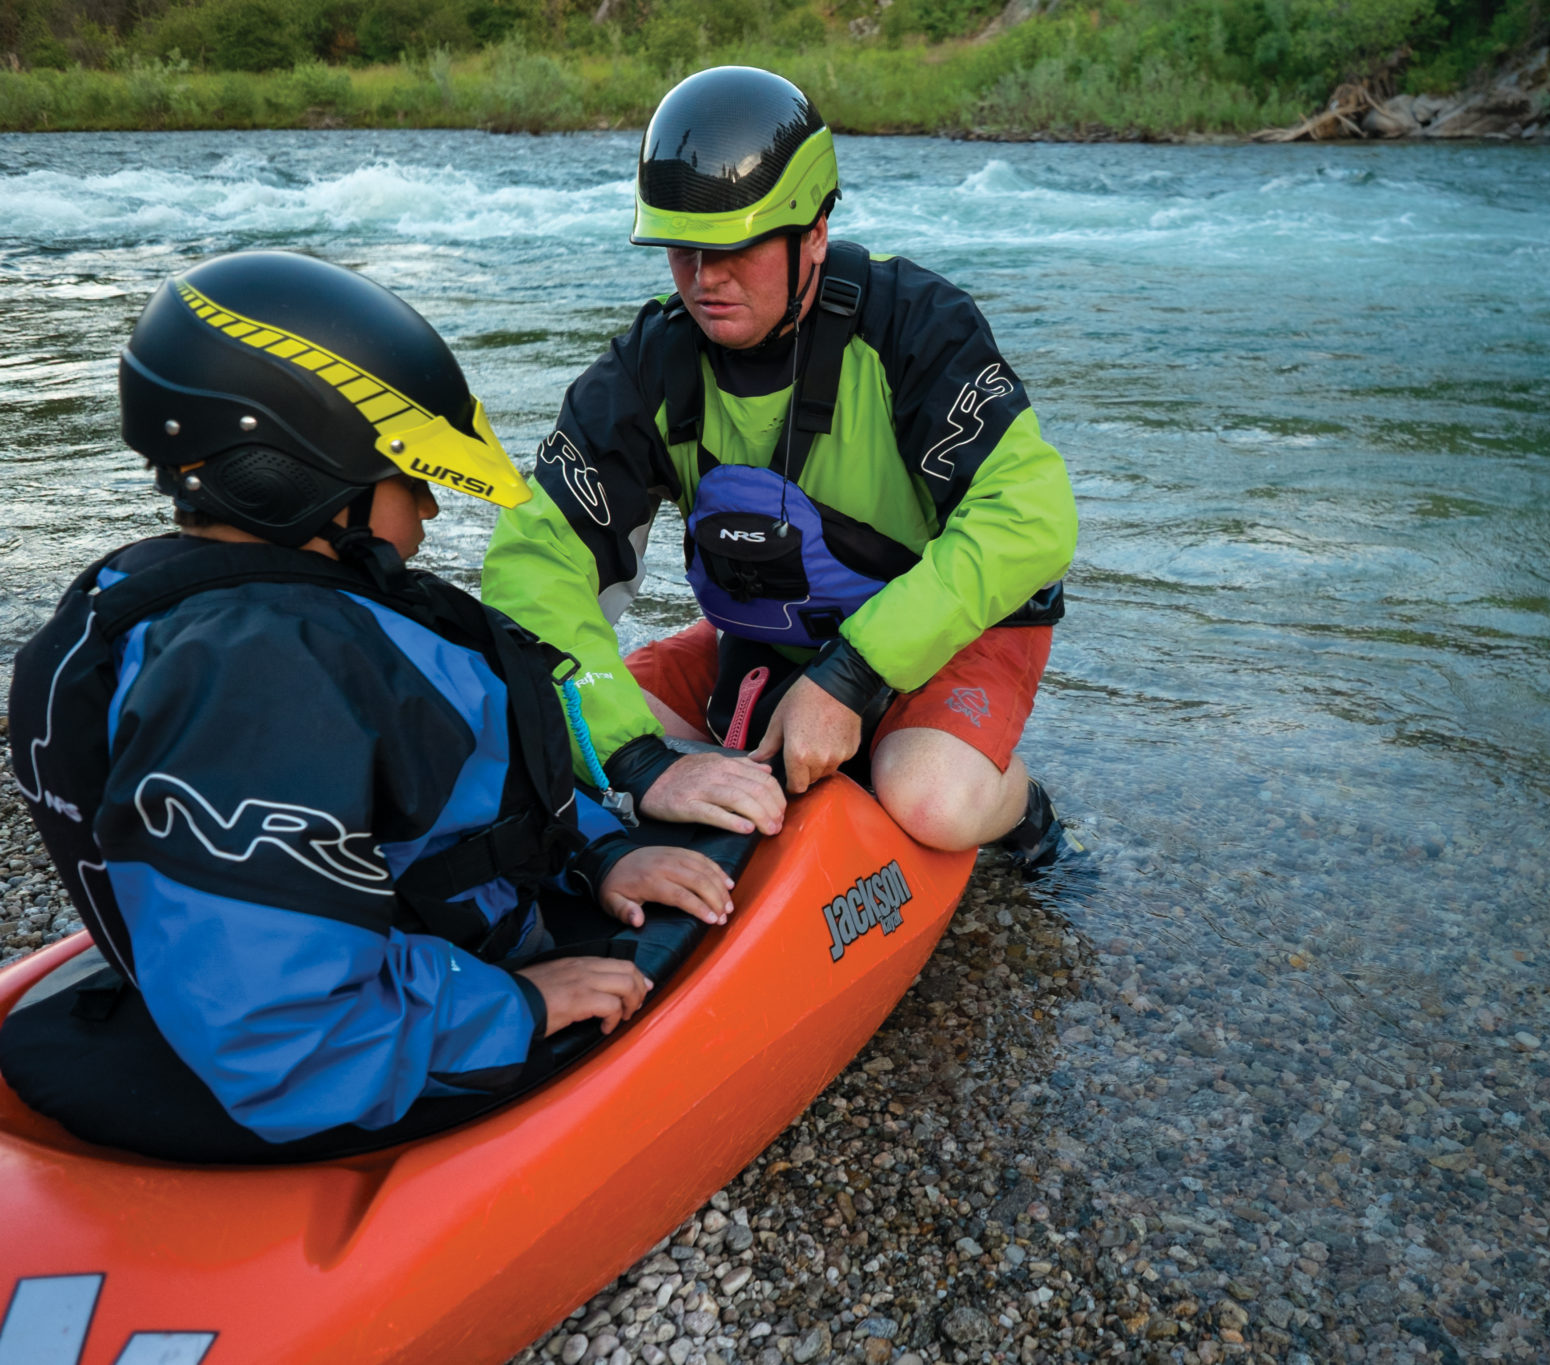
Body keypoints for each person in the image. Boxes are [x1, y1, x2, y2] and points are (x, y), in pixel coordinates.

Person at [1, 250, 735, 1162]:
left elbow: (468, 784)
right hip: (380, 1043)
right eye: (405, 476)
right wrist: (525, 1003)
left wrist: (599, 852)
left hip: (357, 960)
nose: (428, 507)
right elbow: (284, 1037)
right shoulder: (263, 679)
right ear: (293, 477)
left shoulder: (158, 599)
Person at [480, 66, 1079, 871]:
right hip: (774, 630)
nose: (704, 278)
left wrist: (851, 680)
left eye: (735, 247)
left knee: (929, 796)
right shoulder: (645, 370)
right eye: (681, 249)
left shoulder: (916, 327)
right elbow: (535, 570)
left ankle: (1013, 804)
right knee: (554, 735)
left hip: (954, 632)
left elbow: (1030, 518)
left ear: (816, 233)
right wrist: (640, 766)